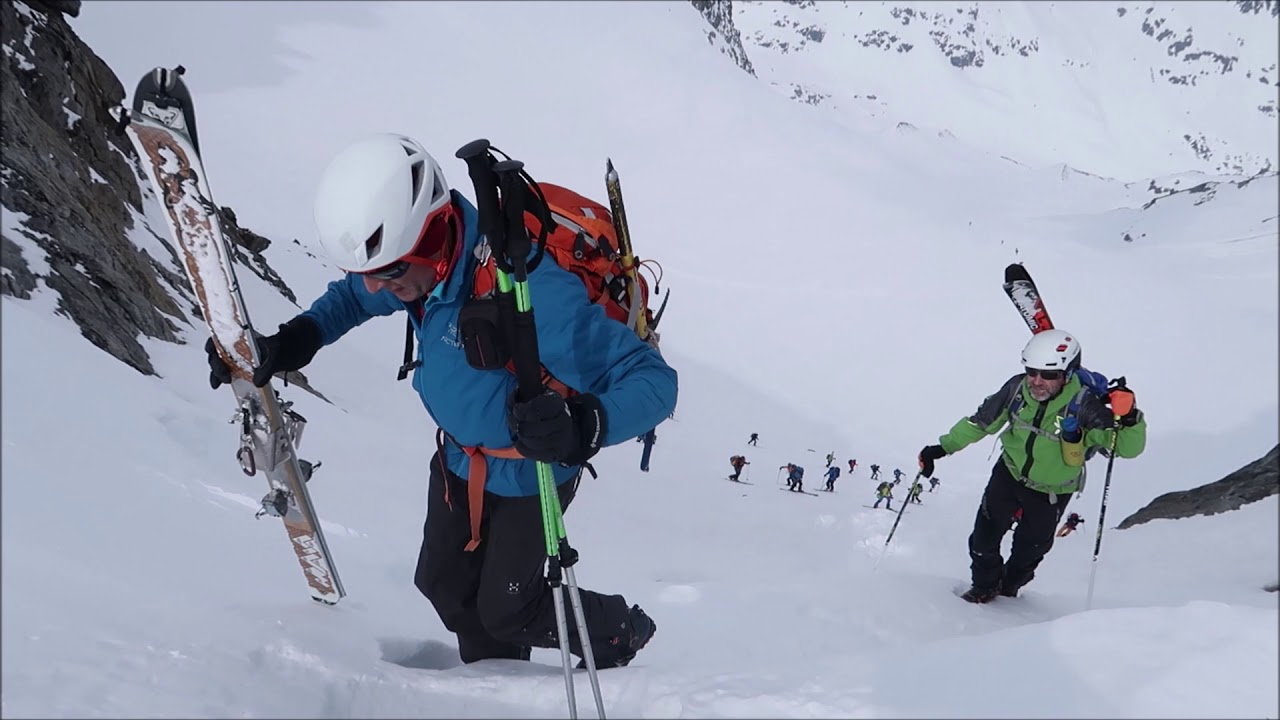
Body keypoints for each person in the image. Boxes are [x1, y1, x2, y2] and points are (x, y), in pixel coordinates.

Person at [206, 133, 678, 666]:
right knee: (443, 586)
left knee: (510, 609)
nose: (378, 288)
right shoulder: (414, 266)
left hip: (530, 475)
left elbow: (655, 382)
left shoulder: (532, 293)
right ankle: (495, 685)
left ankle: (617, 629)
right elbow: (352, 298)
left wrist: (582, 426)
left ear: (433, 238)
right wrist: (295, 340)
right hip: (458, 460)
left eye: (387, 273)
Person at [916, 329, 1145, 603]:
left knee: (1030, 550)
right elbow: (980, 423)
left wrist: (1130, 417)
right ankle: (983, 589)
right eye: (1032, 371)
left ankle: (1009, 590)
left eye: (1049, 375)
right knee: (982, 541)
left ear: (1068, 374)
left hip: (1052, 490)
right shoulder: (1016, 390)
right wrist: (941, 449)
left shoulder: (1085, 405)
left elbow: (1125, 448)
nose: (1037, 381)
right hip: (1009, 473)